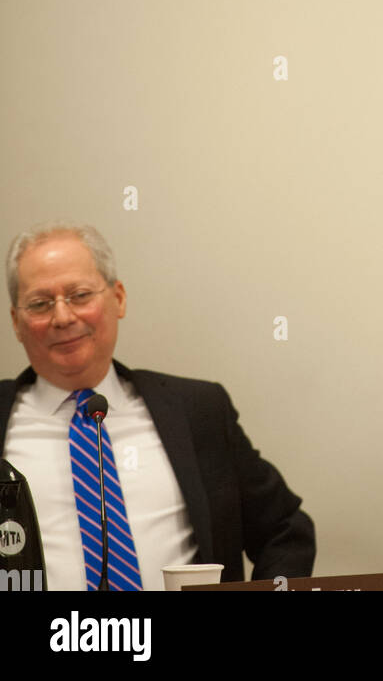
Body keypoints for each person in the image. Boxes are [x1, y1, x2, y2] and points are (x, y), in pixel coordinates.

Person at [2, 224, 315, 590]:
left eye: (80, 295)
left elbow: (285, 528)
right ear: (16, 323)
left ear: (118, 298)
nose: (63, 317)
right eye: (40, 304)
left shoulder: (197, 411)